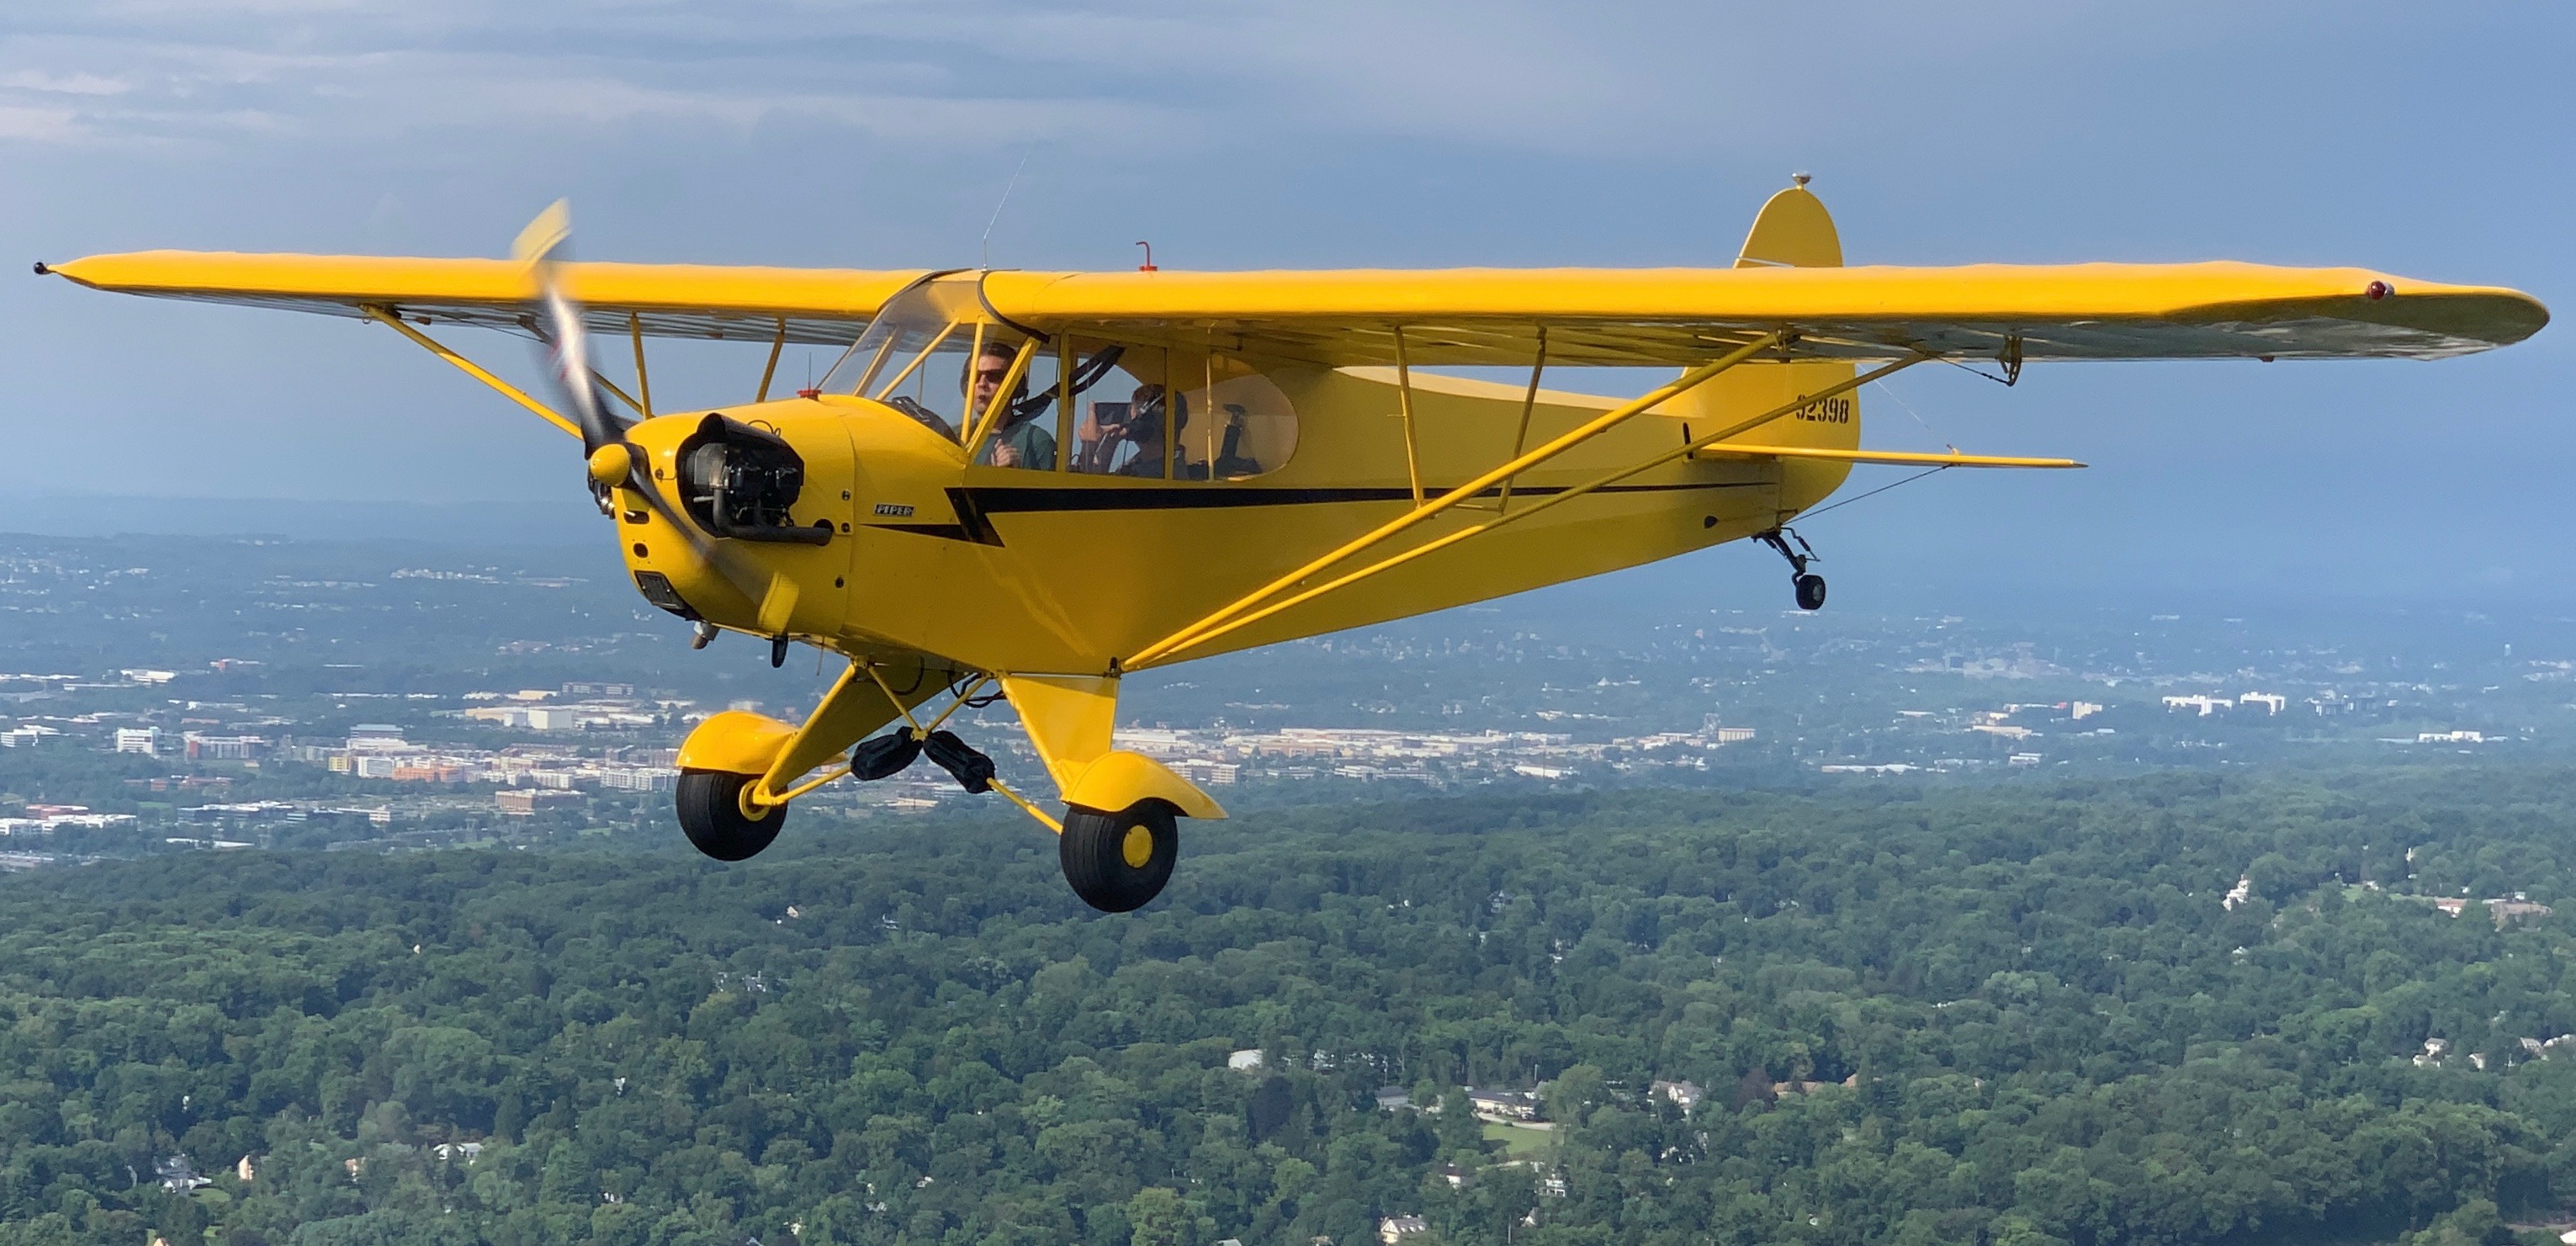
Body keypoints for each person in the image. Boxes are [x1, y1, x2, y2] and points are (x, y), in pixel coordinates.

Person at [966, 340, 1056, 470]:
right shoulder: (954, 438)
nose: (982, 384)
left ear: (1015, 386)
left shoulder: (1037, 442)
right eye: (975, 376)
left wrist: (1012, 476)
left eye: (994, 376)